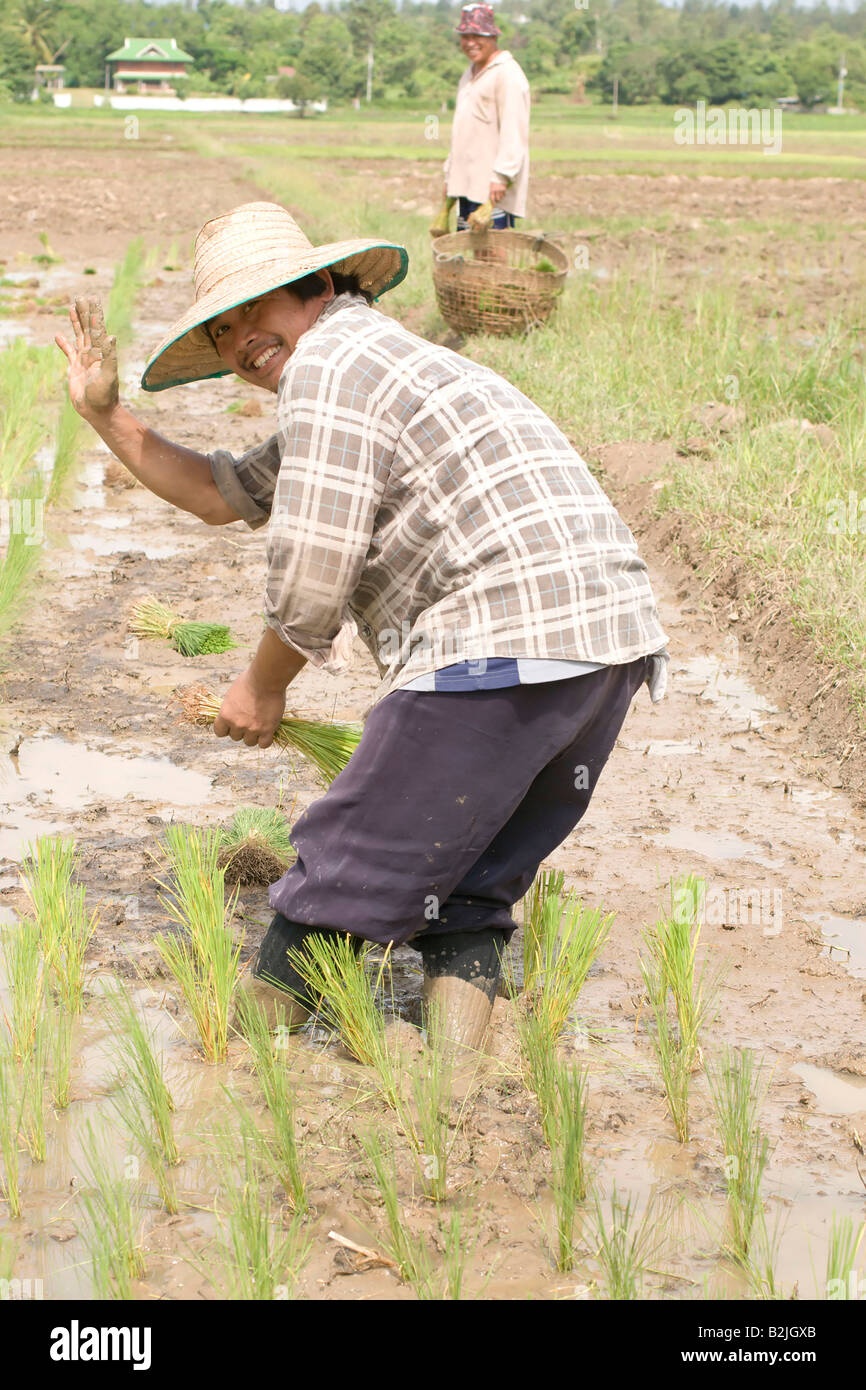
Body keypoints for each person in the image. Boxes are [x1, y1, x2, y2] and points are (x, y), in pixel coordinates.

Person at [56, 201, 669, 1054]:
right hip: (604, 648)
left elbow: (313, 567)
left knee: (343, 873)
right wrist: (103, 412)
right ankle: (454, 1100)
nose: (242, 344)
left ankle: (226, 1083)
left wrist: (259, 689)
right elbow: (217, 493)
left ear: (316, 287)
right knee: (469, 890)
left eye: (256, 312)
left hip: (497, 637)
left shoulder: (333, 367)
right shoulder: (374, 362)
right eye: (224, 333)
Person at [444, 3, 530, 232]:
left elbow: (514, 130)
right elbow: (461, 132)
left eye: (477, 35)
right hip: (467, 184)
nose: (470, 42)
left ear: (493, 36)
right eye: (465, 36)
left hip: (492, 186)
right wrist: (450, 175)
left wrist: (502, 175)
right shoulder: (469, 75)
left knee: (493, 256)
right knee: (470, 256)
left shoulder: (507, 74)